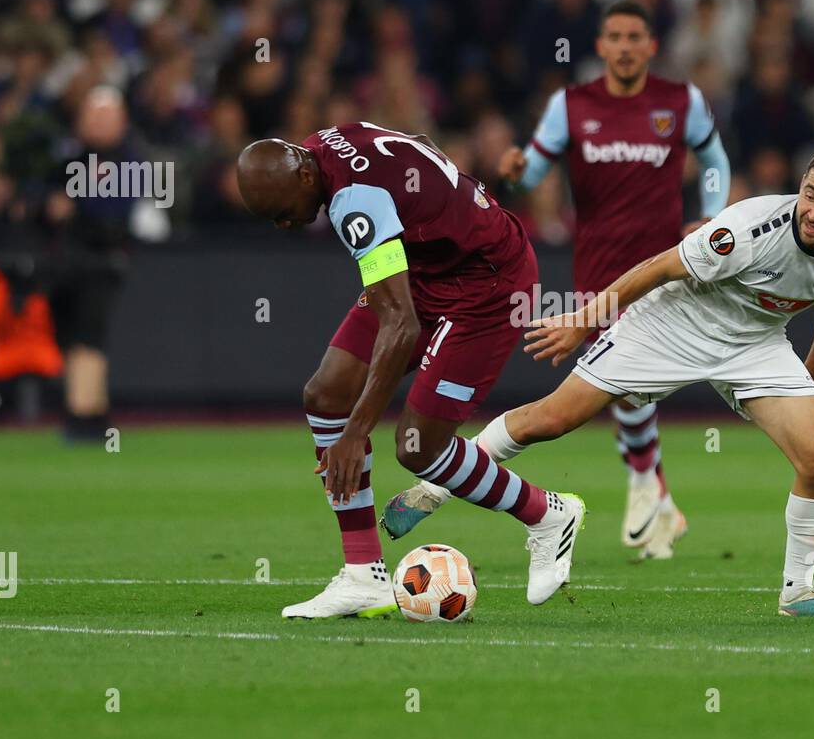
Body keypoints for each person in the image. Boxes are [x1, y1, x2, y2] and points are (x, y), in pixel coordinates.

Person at [389, 145, 814, 617]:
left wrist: (810, 375)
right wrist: (585, 319)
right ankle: (437, 488)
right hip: (669, 325)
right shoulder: (749, 230)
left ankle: (798, 591)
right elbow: (660, 266)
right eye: (809, 194)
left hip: (755, 346)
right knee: (553, 419)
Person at [386, 0, 731, 561]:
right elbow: (538, 165)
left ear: (650, 46)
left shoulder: (680, 102)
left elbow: (713, 157)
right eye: (614, 36)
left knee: (616, 381)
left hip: (665, 267)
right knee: (616, 384)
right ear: (600, 46)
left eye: (634, 36)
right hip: (597, 270)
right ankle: (655, 495)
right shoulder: (571, 106)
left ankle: (641, 488)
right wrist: (523, 168)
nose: (623, 45)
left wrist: (713, 211)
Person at [235, 123, 585, 619]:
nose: (284, 226)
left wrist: (356, 433)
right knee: (326, 392)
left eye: (280, 212)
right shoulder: (326, 142)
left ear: (303, 176)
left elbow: (399, 326)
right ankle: (363, 575)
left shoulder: (352, 200)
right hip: (427, 268)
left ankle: (548, 515)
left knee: (418, 448)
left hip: (489, 285)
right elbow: (419, 140)